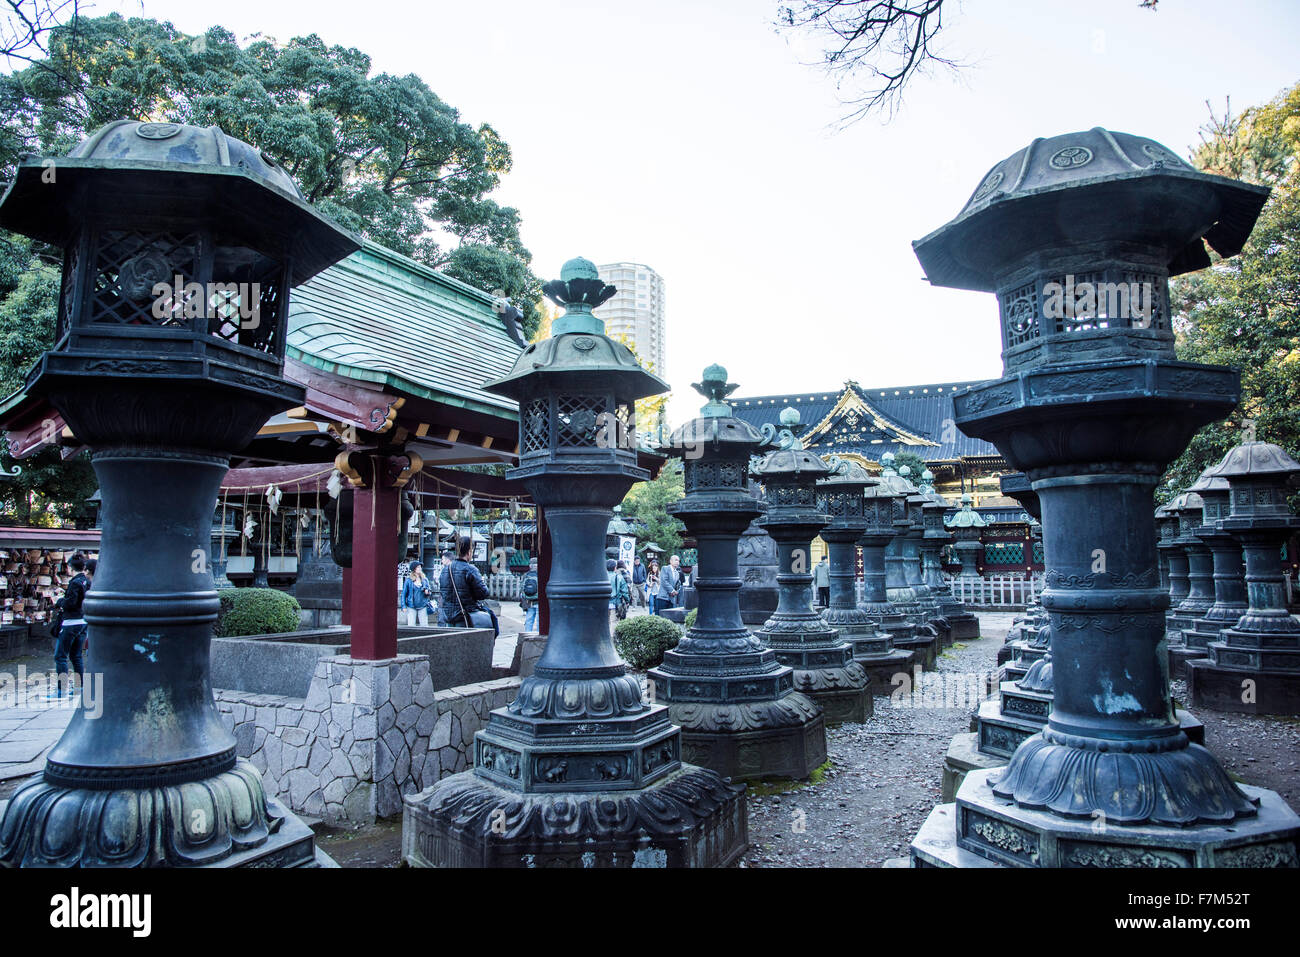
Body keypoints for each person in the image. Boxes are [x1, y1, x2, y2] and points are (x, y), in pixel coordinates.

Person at [48, 553, 90, 700]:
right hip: (83, 622)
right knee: (76, 656)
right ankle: (80, 687)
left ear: (70, 568)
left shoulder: (75, 582)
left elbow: (71, 603)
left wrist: (59, 601)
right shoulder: (87, 582)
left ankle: (61, 689)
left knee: (60, 656)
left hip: (70, 623)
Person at [441, 536, 497, 636]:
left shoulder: (445, 570)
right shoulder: (470, 569)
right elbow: (483, 594)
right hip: (466, 616)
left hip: (448, 616)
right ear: (469, 552)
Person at [400, 562, 434, 627]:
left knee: (424, 626)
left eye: (420, 567)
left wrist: (428, 592)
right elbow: (404, 594)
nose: (420, 568)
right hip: (411, 606)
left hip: (423, 605)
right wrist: (403, 606)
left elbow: (430, 591)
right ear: (414, 569)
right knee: (411, 625)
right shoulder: (408, 580)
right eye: (418, 567)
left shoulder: (424, 579)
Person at [608, 558, 630, 632]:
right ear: (615, 567)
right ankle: (611, 640)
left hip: (603, 603)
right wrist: (627, 601)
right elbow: (624, 591)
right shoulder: (618, 577)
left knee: (606, 623)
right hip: (615, 603)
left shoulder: (602, 576)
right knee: (614, 622)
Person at [520, 557, 540, 633]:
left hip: (529, 601)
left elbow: (522, 588)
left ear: (530, 566)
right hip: (538, 601)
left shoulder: (526, 575)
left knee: (529, 619)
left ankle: (527, 634)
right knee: (539, 620)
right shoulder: (541, 575)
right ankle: (539, 634)